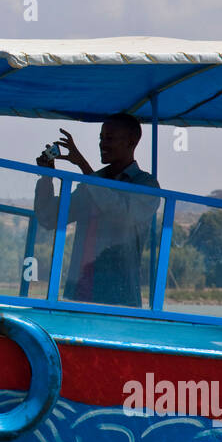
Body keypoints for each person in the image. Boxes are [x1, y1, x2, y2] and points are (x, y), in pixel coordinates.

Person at [33, 115, 160, 306]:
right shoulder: (90, 184)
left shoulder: (146, 185)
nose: (102, 144)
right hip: (79, 293)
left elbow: (122, 215)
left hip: (120, 296)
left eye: (109, 138)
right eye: (101, 138)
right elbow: (50, 218)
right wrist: (47, 177)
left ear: (131, 142)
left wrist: (82, 165)